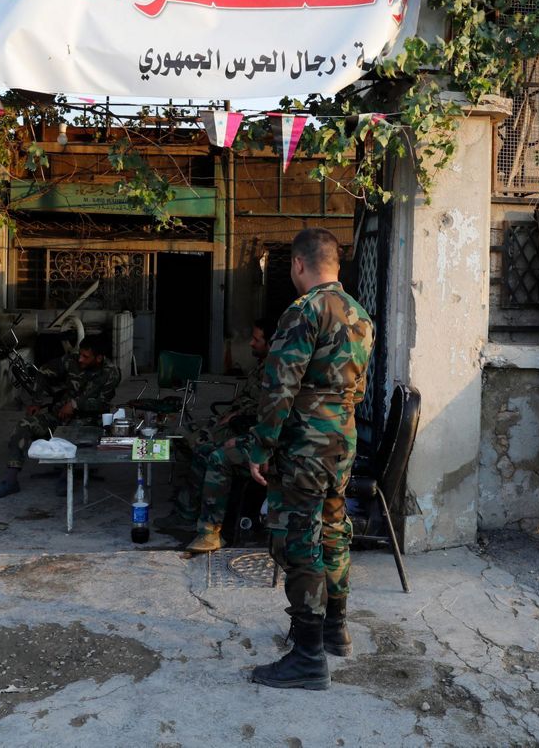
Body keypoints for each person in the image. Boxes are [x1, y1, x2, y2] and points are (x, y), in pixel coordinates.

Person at [241, 228, 374, 691]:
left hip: (305, 444)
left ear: (299, 265)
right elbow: (355, 389)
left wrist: (260, 446)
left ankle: (307, 656)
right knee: (334, 530)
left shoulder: (303, 311)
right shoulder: (360, 315)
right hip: (343, 440)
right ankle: (335, 631)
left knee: (299, 539)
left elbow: (280, 387)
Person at [152, 317, 274, 541]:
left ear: (270, 343)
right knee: (185, 436)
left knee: (203, 449)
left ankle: (191, 515)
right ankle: (188, 503)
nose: (250, 344)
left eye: (256, 340)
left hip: (248, 429)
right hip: (237, 421)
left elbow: (265, 411)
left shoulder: (276, 372)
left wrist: (238, 417)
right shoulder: (262, 366)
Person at [0, 334, 121, 498]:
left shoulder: (111, 373)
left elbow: (103, 404)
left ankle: (67, 477)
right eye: (80, 354)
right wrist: (36, 401)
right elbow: (42, 372)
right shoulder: (71, 361)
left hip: (87, 422)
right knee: (23, 426)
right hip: (59, 415)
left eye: (86, 357)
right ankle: (11, 480)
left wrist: (75, 405)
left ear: (99, 358)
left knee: (73, 432)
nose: (80, 359)